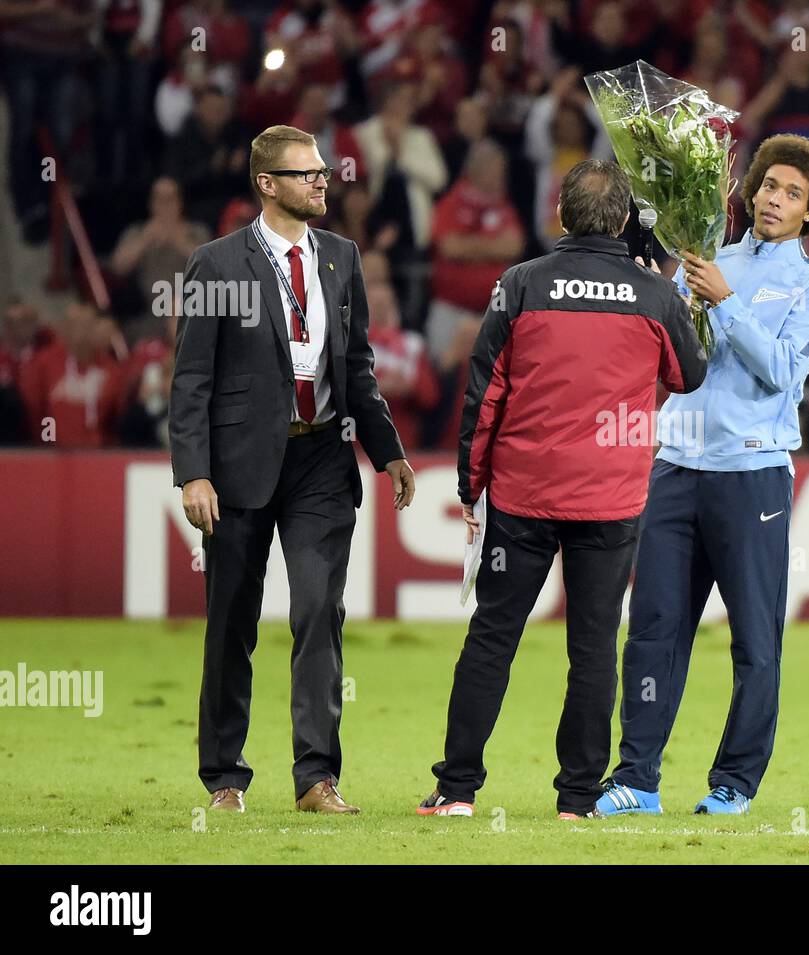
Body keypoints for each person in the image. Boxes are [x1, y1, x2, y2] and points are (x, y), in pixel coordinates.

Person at [420, 159, 706, 820]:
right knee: (594, 648)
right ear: (627, 222)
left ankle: (458, 789)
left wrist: (470, 485)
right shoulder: (655, 295)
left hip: (523, 494)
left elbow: (485, 391)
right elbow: (689, 376)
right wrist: (683, 303)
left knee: (493, 636)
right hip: (611, 497)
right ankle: (576, 799)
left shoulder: (519, 282)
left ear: (561, 214)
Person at [170, 124, 415, 815]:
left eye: (323, 172)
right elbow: (190, 378)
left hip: (321, 457)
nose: (322, 181)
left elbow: (357, 364)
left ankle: (316, 778)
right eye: (306, 173)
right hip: (241, 462)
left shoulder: (341, 256)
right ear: (267, 185)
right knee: (232, 622)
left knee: (317, 611)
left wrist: (387, 447)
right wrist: (194, 471)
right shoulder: (216, 264)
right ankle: (223, 776)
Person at [598, 133, 809, 817]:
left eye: (793, 193)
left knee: (755, 639)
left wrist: (725, 303)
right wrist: (658, 287)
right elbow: (667, 356)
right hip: (675, 465)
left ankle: (734, 782)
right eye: (770, 185)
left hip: (752, 474)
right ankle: (637, 779)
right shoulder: (705, 259)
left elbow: (785, 372)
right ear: (751, 189)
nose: (776, 199)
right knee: (651, 629)